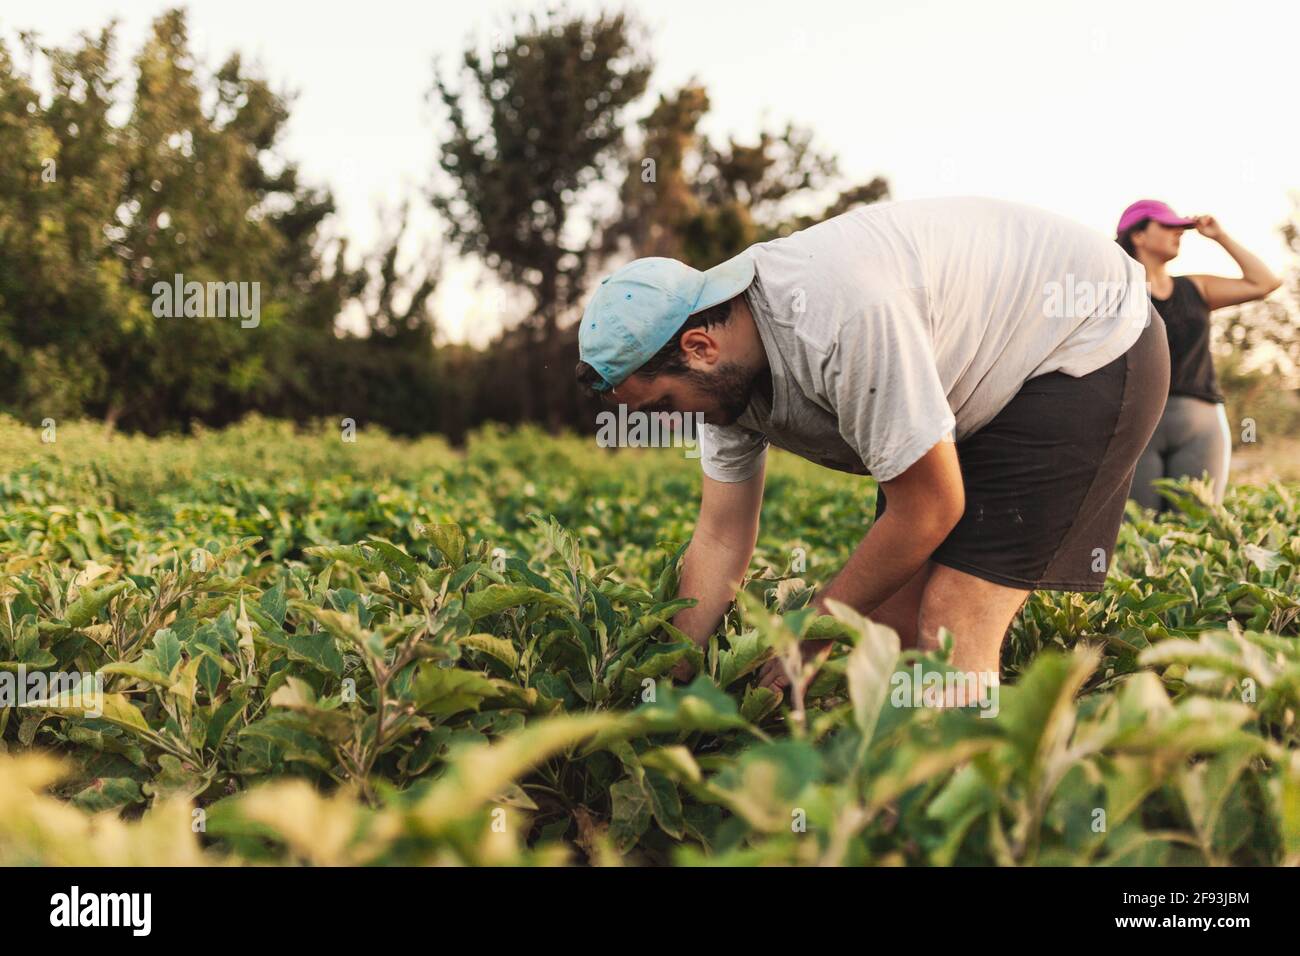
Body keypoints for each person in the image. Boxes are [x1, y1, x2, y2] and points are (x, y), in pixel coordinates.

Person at [575, 197, 1169, 692]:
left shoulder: (835, 321)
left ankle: (969, 818)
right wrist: (668, 679)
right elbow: (720, 534)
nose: (674, 423)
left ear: (700, 346)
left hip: (1086, 337)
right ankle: (899, 800)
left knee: (953, 619)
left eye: (665, 407)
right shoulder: (723, 381)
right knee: (887, 624)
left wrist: (808, 636)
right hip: (973, 383)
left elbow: (930, 507)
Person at [1116, 199, 1282, 510]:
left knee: (1197, 527)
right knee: (1137, 533)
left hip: (1200, 425)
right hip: (1138, 425)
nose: (1178, 232)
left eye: (1181, 227)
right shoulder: (1115, 292)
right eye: (1168, 226)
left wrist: (1220, 236)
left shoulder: (1196, 287)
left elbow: (1265, 282)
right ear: (1138, 235)